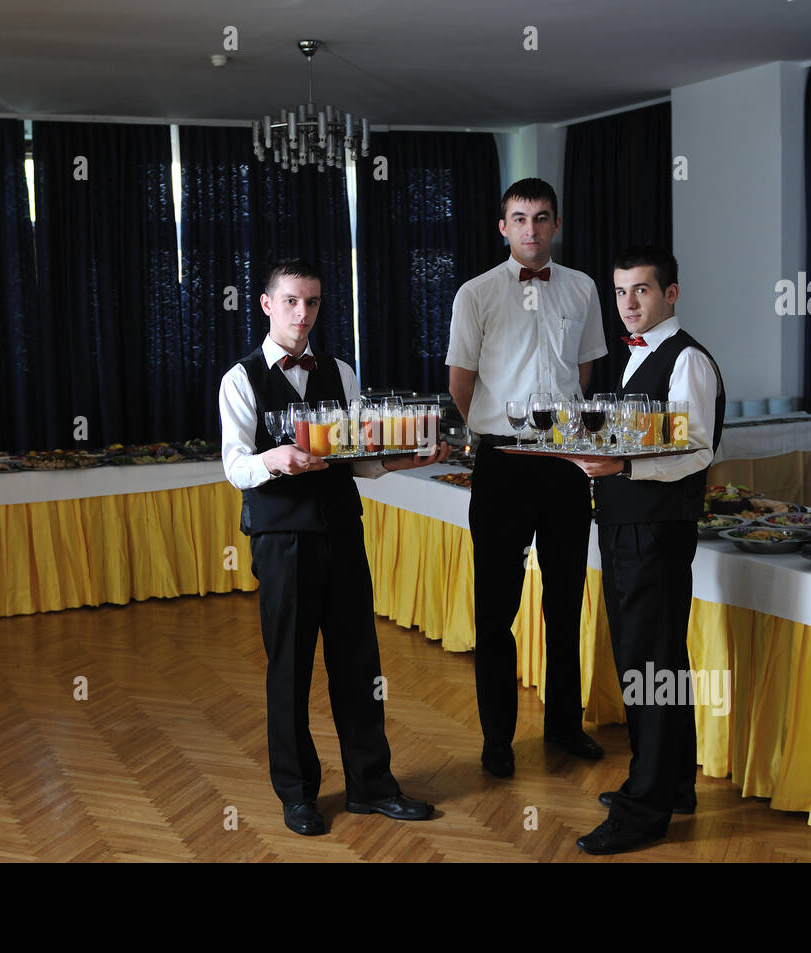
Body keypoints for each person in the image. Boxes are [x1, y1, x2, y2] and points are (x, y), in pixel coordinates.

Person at [219, 258, 450, 836]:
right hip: (282, 541)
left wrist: (400, 460)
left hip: (342, 532)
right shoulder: (239, 379)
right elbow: (235, 466)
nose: (304, 314)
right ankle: (296, 794)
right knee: (290, 669)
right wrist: (277, 460)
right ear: (267, 305)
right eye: (292, 301)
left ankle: (372, 785)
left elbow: (355, 460)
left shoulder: (342, 373)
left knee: (358, 663)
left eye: (314, 303)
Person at [446, 178, 608, 778]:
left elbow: (584, 370)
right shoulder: (475, 294)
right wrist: (497, 435)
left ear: (556, 225)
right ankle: (497, 739)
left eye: (541, 218)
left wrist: (555, 435)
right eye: (519, 218)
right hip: (503, 467)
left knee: (566, 602)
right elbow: (461, 381)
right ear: (503, 227)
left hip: (565, 465)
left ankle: (565, 727)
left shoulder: (584, 288)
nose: (531, 229)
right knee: (495, 611)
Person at [572, 245, 725, 855]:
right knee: (655, 662)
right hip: (626, 525)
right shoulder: (636, 359)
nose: (628, 303)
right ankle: (672, 785)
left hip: (655, 531)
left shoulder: (687, 360)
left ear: (671, 294)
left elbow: (697, 451)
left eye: (641, 290)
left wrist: (622, 463)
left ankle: (644, 809)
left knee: (651, 665)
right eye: (619, 292)